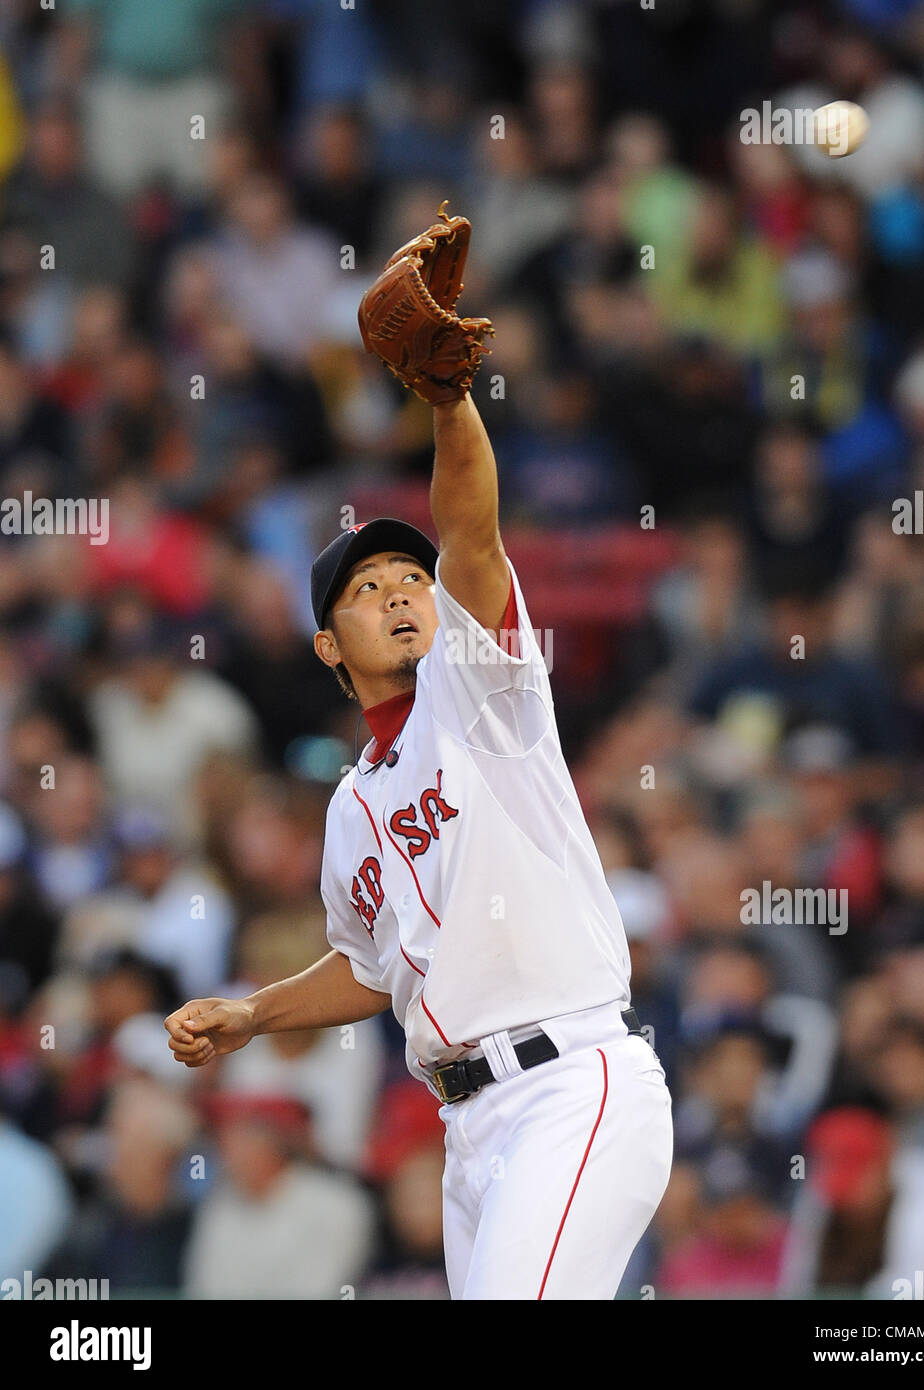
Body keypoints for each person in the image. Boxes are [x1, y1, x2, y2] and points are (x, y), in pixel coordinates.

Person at [165, 230, 673, 1296]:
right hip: (469, 1124)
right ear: (324, 645)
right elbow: (369, 966)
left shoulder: (480, 692)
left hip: (569, 1083)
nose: (400, 591)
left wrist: (447, 400)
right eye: (367, 587)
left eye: (408, 577)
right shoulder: (351, 805)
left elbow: (473, 539)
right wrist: (256, 1012)